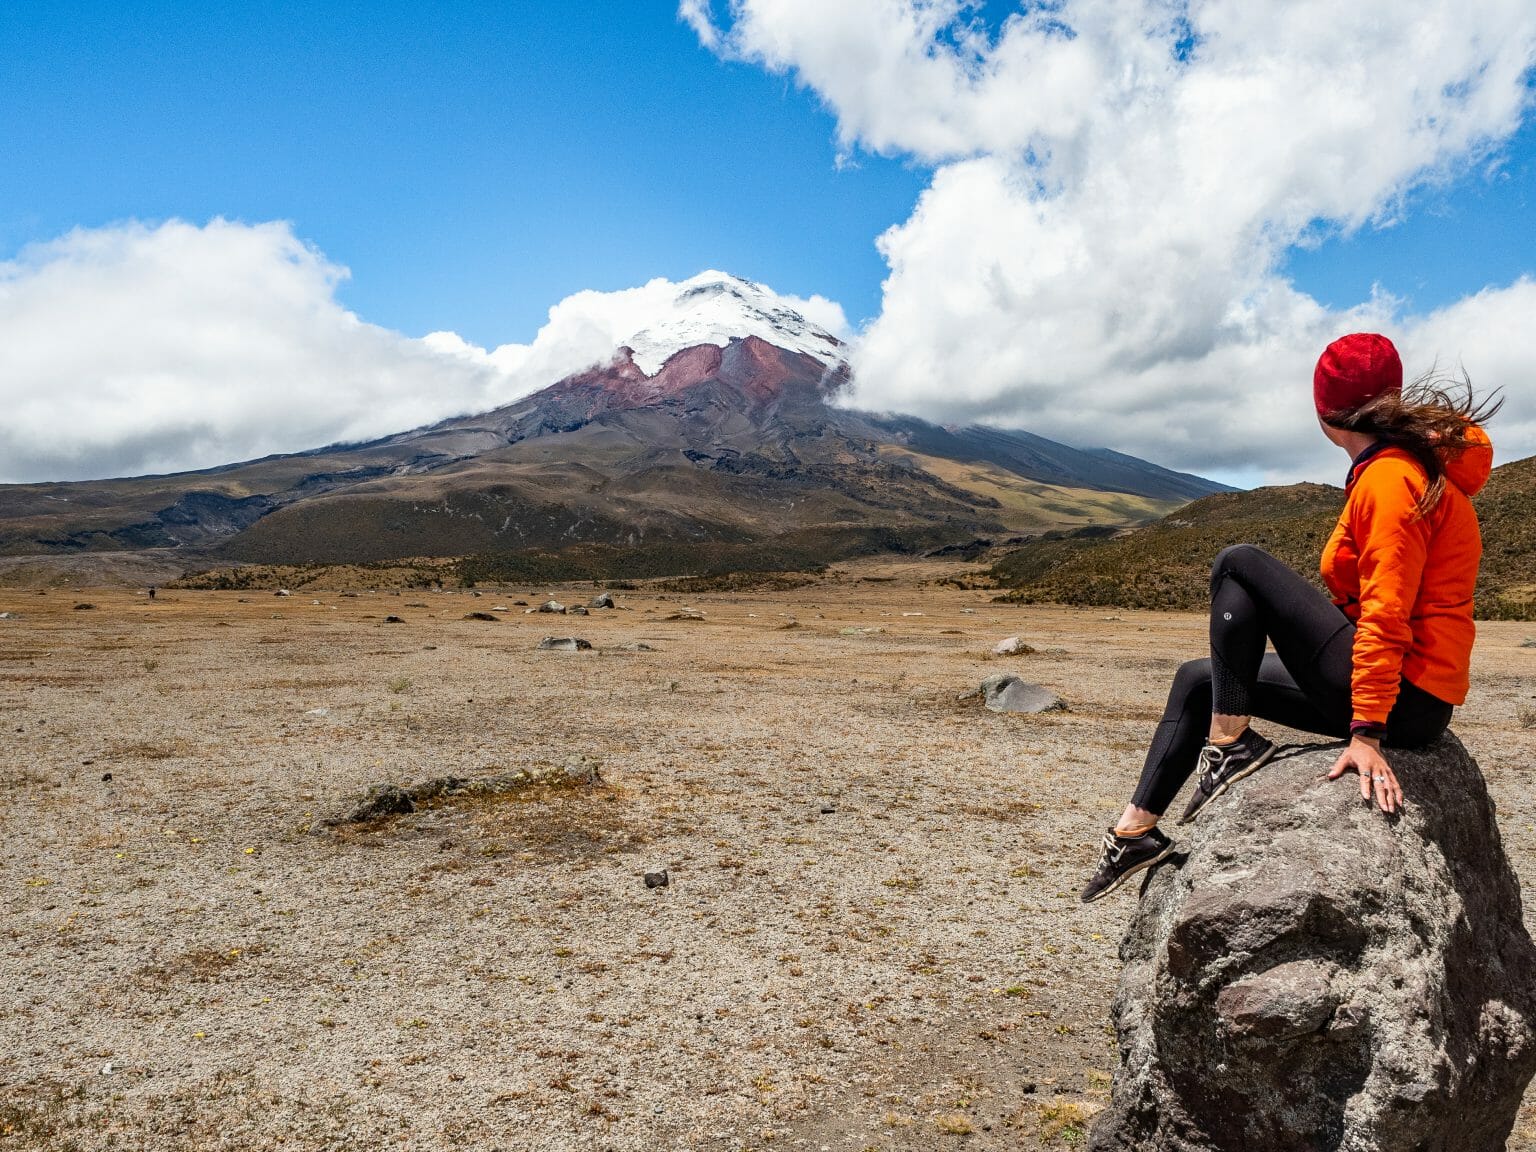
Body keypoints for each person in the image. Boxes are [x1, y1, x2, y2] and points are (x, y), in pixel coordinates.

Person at [1081, 332, 1498, 903]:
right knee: (1198, 678)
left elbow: (1387, 614)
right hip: (1403, 695)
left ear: (1325, 412)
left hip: (1404, 697)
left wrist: (1367, 733)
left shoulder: (1391, 479)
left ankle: (1228, 748)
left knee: (1239, 563)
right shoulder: (1399, 471)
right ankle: (1135, 830)